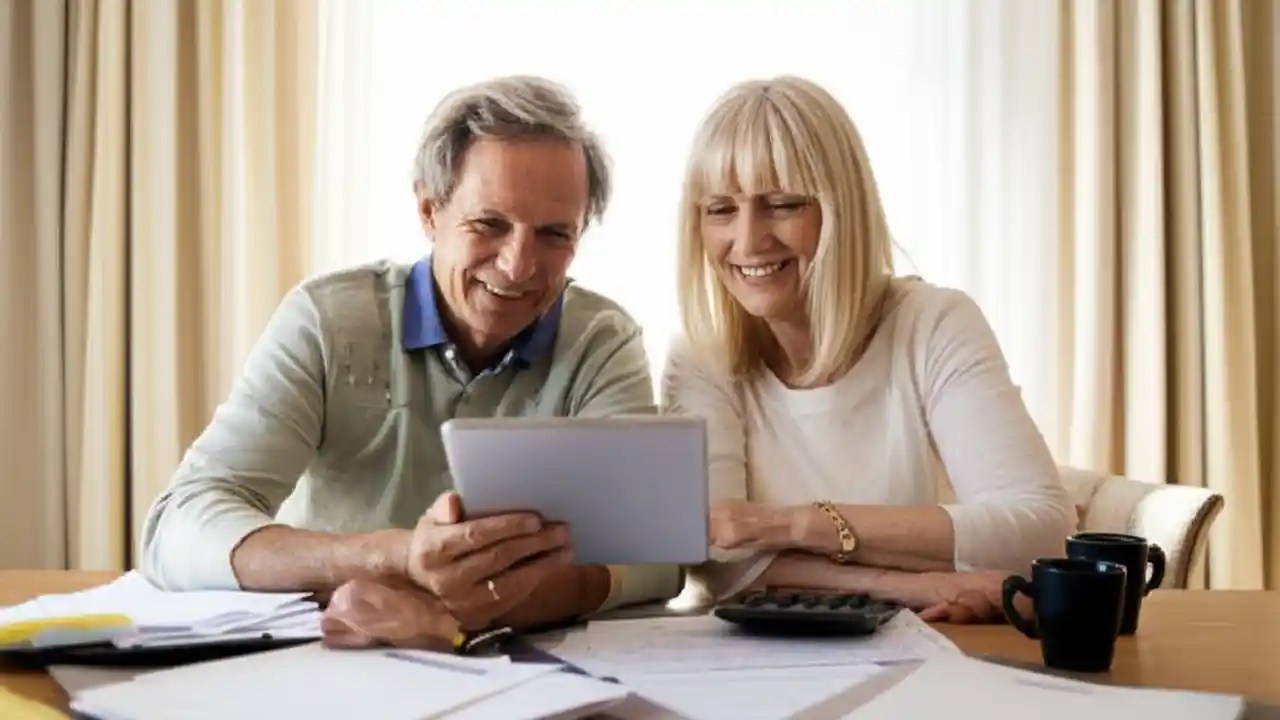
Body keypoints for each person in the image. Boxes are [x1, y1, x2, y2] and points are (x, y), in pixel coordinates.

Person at [140, 75, 680, 648]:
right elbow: (178, 527)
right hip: (329, 651)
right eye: (489, 224)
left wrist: (461, 614)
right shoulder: (328, 320)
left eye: (554, 235)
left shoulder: (602, 339)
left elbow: (653, 557)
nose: (520, 265)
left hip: (521, 666)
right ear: (429, 212)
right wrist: (391, 557)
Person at [662, 76, 1076, 623]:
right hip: (762, 660)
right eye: (720, 210)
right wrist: (911, 584)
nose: (747, 240)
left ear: (840, 209)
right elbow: (721, 561)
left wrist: (794, 526)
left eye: (782, 204)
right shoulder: (701, 356)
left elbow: (1041, 527)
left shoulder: (934, 324)